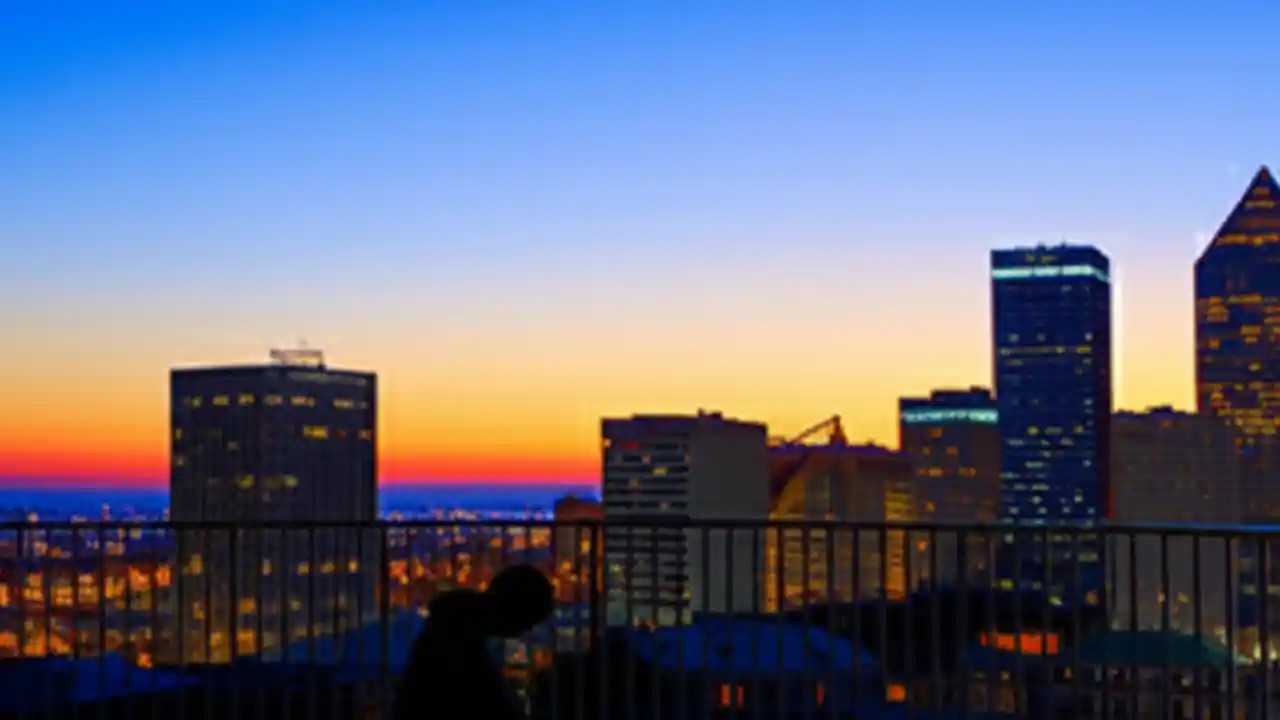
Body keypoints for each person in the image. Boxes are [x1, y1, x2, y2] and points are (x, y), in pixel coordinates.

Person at [394, 564, 554, 720]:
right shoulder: (459, 641)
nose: (525, 630)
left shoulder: (456, 628)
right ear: (518, 609)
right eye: (528, 620)